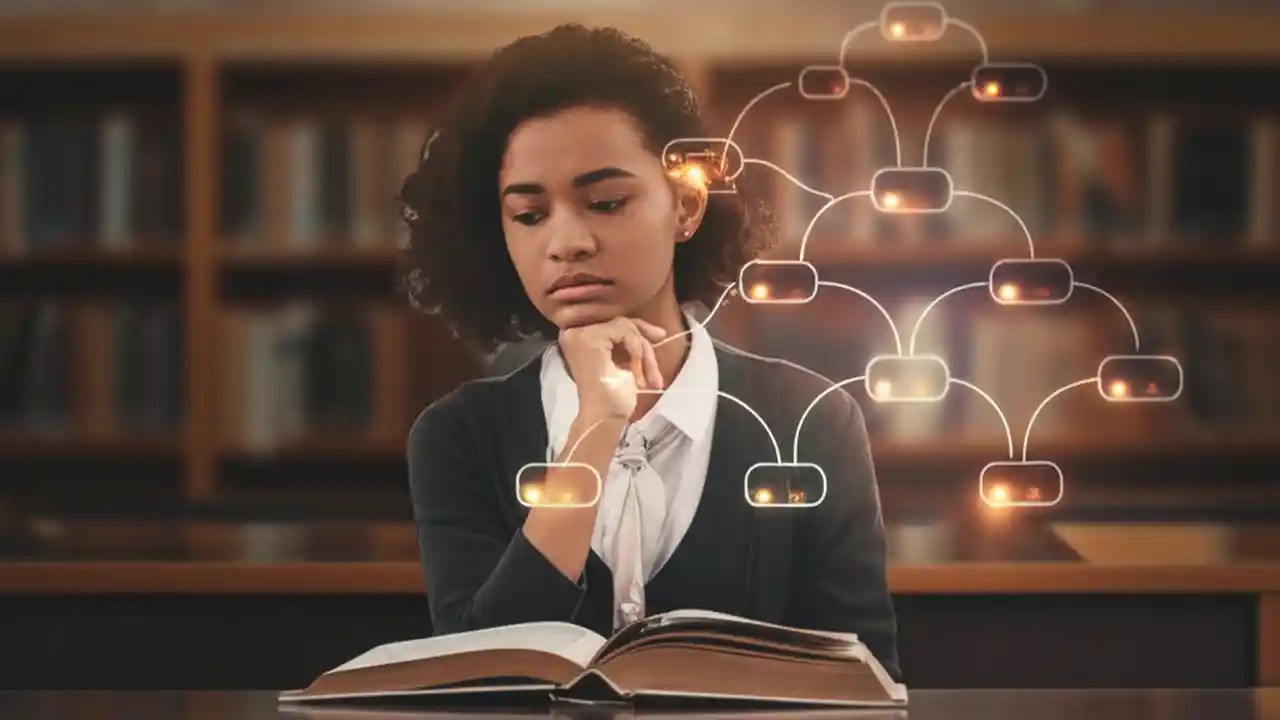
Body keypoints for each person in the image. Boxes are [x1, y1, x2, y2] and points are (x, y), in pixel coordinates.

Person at [398, 23, 900, 681]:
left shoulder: (812, 420)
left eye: (605, 202)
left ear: (686, 206)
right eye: (529, 215)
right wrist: (595, 427)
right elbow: (480, 679)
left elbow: (867, 682)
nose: (567, 242)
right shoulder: (457, 435)